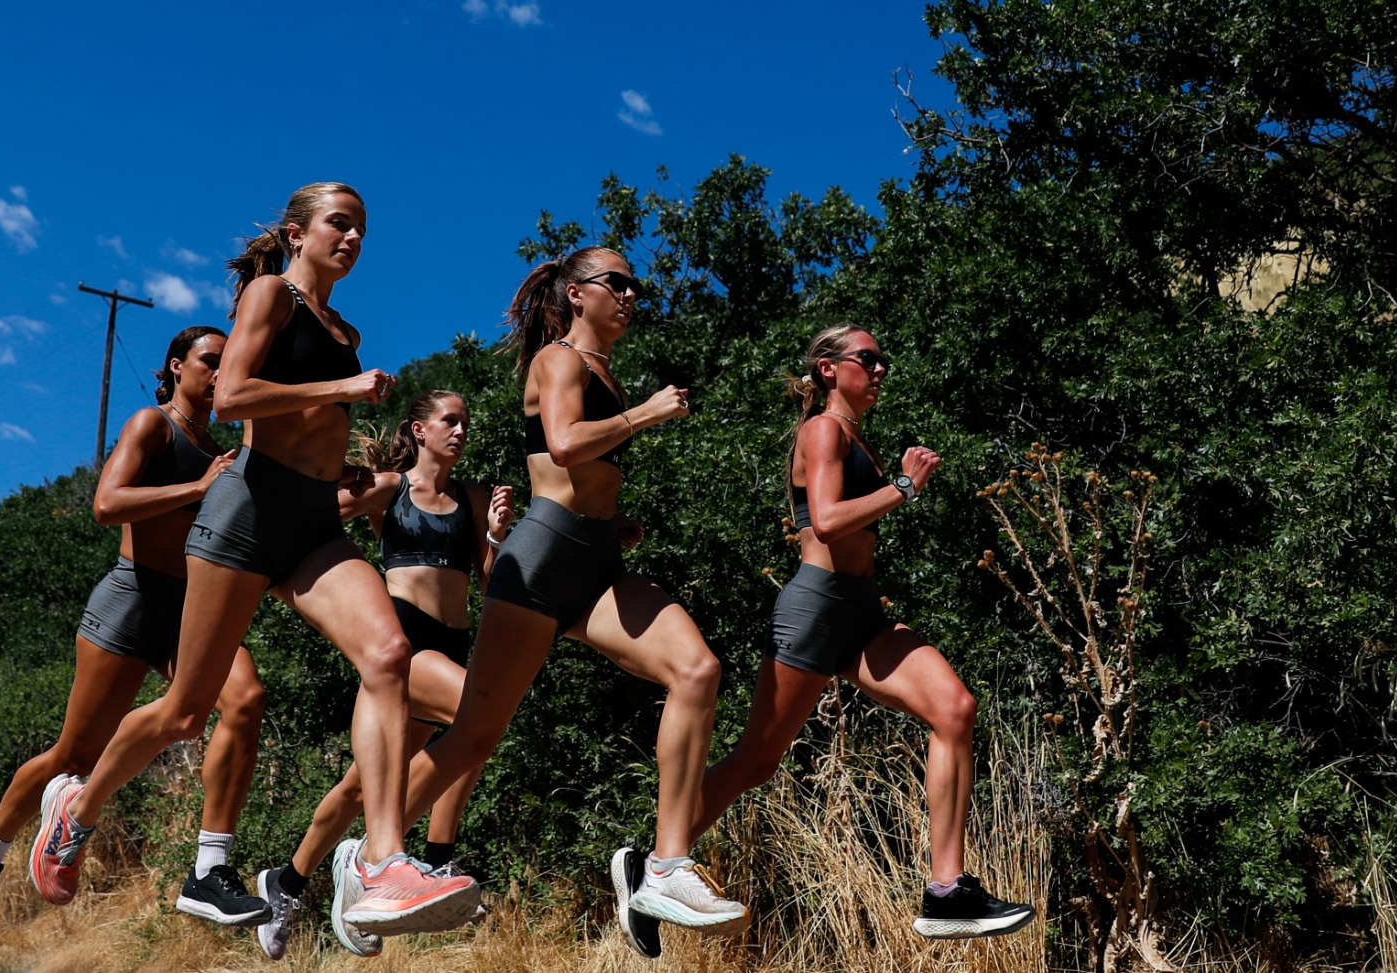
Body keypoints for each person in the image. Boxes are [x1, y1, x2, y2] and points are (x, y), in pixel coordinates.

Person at [25, 182, 478, 937]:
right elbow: (232, 394)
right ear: (298, 233)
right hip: (246, 513)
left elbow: (306, 422)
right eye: (340, 223)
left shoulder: (343, 327)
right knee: (185, 711)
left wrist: (348, 471)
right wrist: (345, 386)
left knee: (390, 652)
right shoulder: (273, 295)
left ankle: (379, 861)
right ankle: (78, 806)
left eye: (362, 227)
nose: (354, 237)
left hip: (309, 524)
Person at [376, 247, 744, 958]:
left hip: (597, 559)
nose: (633, 294)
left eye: (637, 284)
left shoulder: (603, 369)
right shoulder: (559, 361)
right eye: (618, 282)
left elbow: (585, 472)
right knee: (475, 733)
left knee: (698, 670)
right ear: (578, 294)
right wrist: (646, 413)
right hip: (539, 560)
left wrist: (614, 521)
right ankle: (370, 856)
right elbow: (566, 445)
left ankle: (665, 866)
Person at [683, 325, 1035, 940]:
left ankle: (947, 890)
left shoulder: (859, 441)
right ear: (827, 369)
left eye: (883, 362)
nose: (879, 370)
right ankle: (659, 861)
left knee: (955, 709)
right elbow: (824, 522)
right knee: (756, 762)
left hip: (863, 611)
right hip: (816, 607)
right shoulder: (821, 429)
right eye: (867, 359)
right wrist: (903, 488)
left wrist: (893, 480)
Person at [0, 325, 271, 939]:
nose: (219, 371)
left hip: (192, 610)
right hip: (132, 599)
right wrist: (199, 487)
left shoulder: (223, 453)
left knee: (245, 700)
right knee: (72, 755)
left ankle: (209, 868)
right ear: (176, 366)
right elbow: (106, 503)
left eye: (230, 363)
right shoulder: (154, 426)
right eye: (210, 360)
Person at [253, 389, 513, 960]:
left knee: (356, 788)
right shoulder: (391, 489)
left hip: (451, 643)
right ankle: (428, 856)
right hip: (403, 642)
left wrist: (495, 534)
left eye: (465, 422)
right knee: (480, 714)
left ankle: (286, 885)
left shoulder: (471, 497)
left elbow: (491, 584)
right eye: (450, 420)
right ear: (419, 431)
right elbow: (312, 509)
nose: (461, 430)